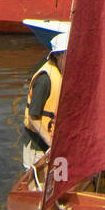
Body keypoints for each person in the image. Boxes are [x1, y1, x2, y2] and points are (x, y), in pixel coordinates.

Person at [22, 32, 68, 168]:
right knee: (38, 187)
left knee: (61, 178)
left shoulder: (63, 74)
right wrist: (51, 143)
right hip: (38, 147)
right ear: (57, 55)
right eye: (68, 54)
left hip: (57, 143)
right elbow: (33, 118)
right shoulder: (44, 81)